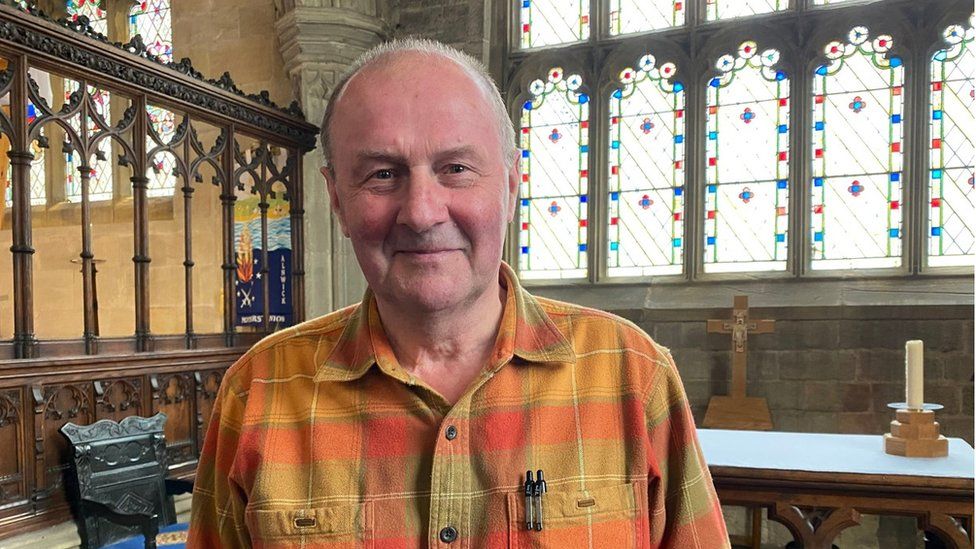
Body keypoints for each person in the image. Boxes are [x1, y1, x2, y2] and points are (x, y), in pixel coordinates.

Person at [188, 38, 728, 548]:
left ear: (512, 184)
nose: (422, 212)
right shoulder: (256, 393)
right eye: (381, 174)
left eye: (456, 168)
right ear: (336, 198)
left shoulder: (632, 375)